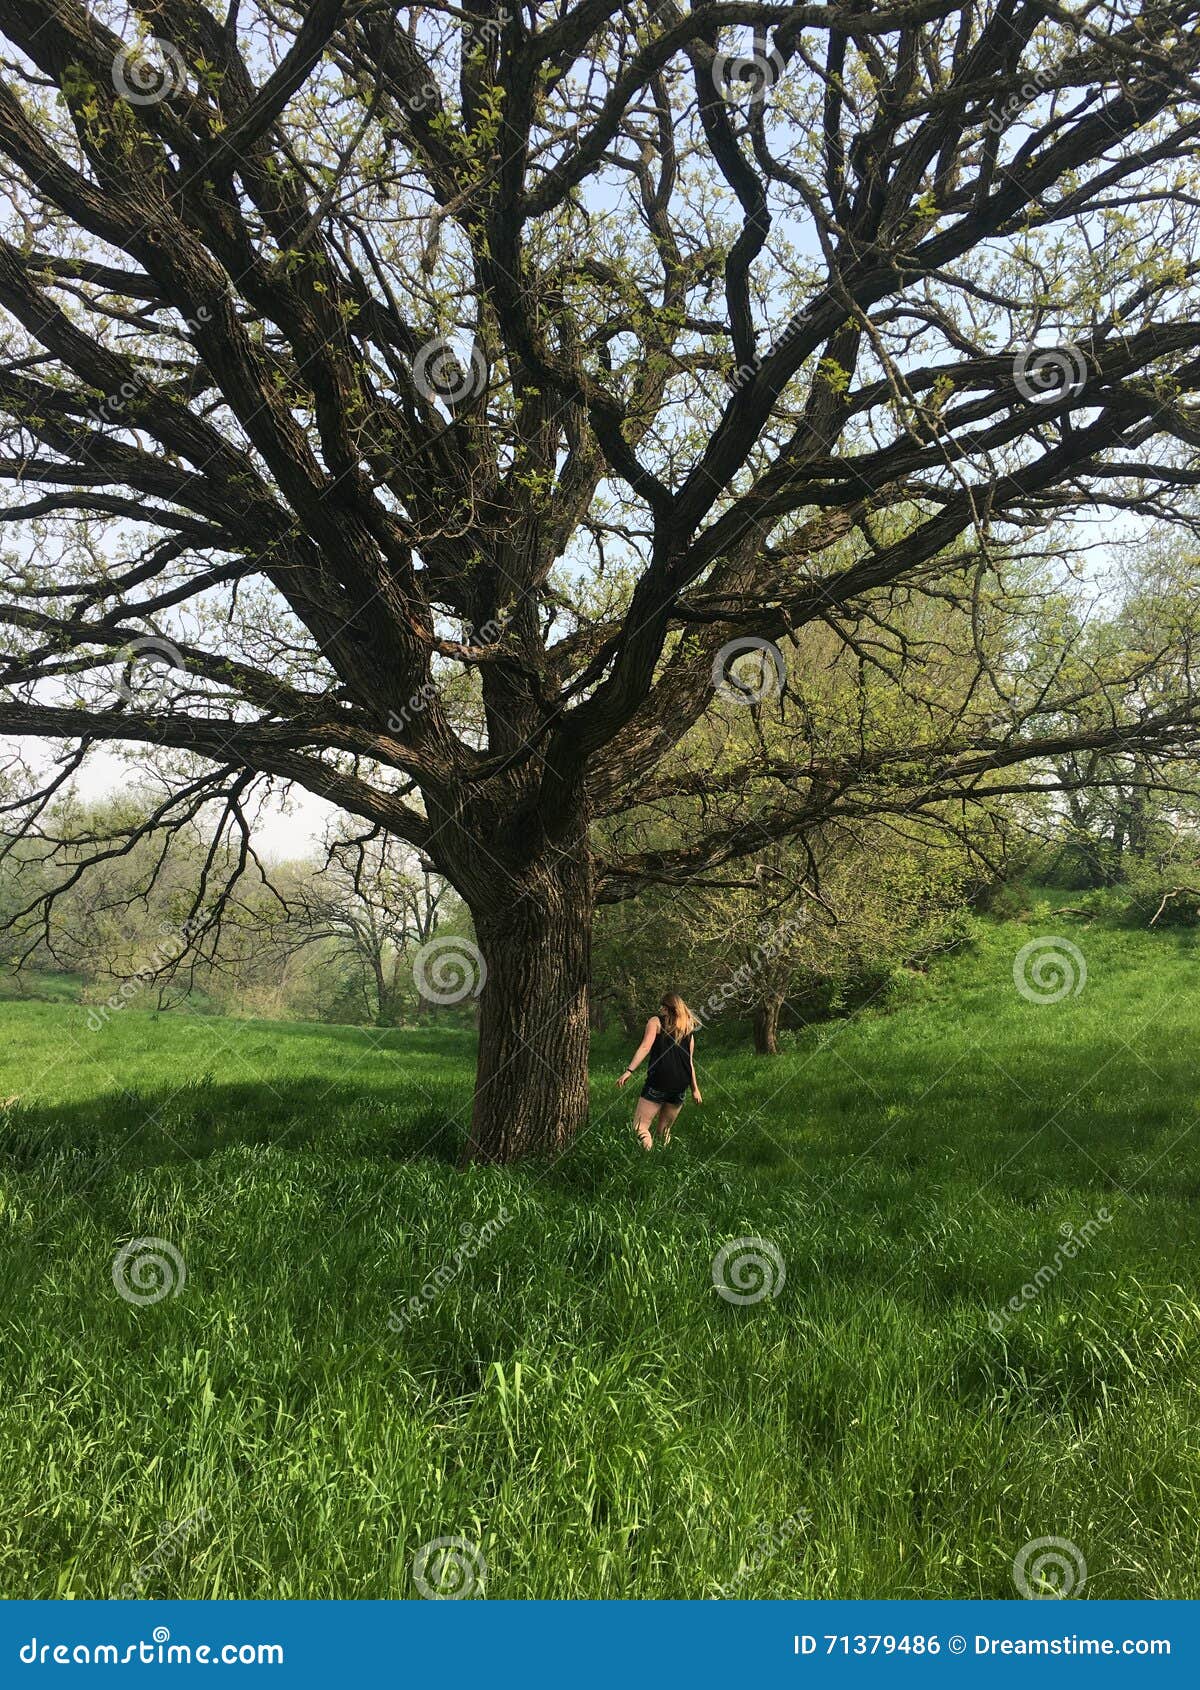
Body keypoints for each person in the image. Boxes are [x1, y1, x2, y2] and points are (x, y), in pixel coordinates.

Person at [616, 992, 702, 1149]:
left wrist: (629, 1071)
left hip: (659, 1081)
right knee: (664, 1130)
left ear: (669, 1008)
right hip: (680, 1085)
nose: (661, 1009)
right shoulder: (688, 1029)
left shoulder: (655, 1022)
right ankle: (665, 1159)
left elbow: (645, 1047)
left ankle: (647, 1158)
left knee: (640, 1127)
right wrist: (695, 1089)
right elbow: (689, 1063)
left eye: (663, 1006)